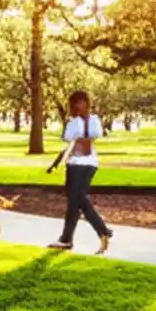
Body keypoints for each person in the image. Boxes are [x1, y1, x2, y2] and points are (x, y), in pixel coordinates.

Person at [49, 90, 115, 254]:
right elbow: (68, 138)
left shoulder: (94, 120)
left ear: (86, 102)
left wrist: (81, 135)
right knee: (73, 203)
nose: (78, 105)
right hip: (73, 162)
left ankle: (102, 230)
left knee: (78, 198)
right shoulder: (72, 122)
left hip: (88, 163)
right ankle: (66, 239)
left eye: (81, 102)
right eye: (75, 103)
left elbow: (95, 135)